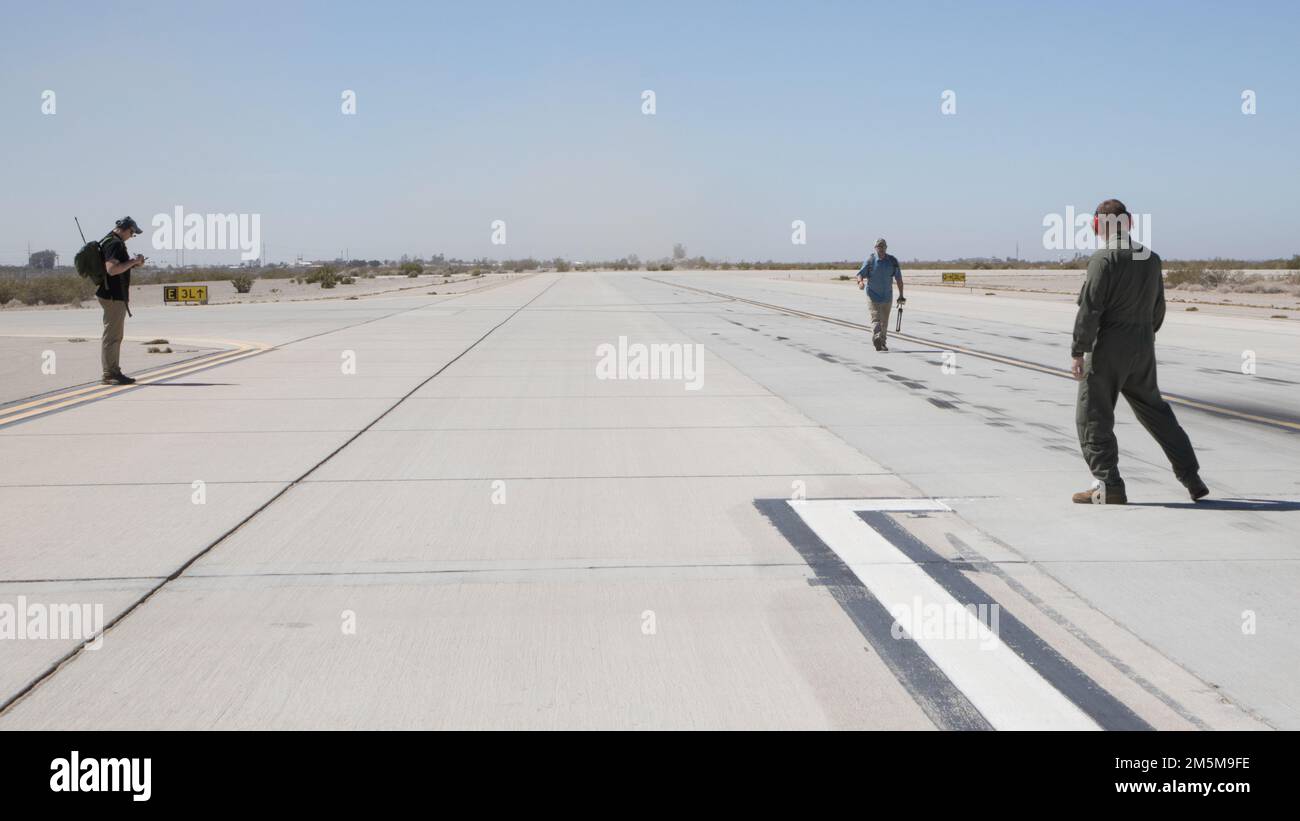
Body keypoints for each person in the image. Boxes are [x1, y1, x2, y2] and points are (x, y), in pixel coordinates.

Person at [1070, 199, 1208, 504]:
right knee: (1156, 412)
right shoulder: (1151, 258)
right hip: (1143, 346)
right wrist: (1142, 339)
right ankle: (1191, 477)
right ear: (1128, 223)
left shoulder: (1103, 259)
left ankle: (1108, 485)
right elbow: (1158, 308)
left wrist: (1079, 350)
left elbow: (1090, 310)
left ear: (1098, 226)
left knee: (1093, 416)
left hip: (1107, 347)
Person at [98, 216, 146, 385]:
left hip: (111, 294)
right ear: (124, 228)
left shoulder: (108, 240)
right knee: (113, 336)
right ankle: (110, 372)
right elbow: (111, 270)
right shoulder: (114, 244)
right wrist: (133, 261)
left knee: (114, 335)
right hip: (113, 295)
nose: (131, 236)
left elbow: (118, 266)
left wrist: (134, 263)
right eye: (132, 232)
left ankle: (112, 370)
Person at [855, 238, 905, 350]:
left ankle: (882, 342)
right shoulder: (870, 260)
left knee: (884, 322)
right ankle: (876, 336)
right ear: (875, 248)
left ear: (886, 248)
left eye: (882, 246)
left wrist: (901, 295)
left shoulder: (892, 261)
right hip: (872, 295)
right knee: (876, 319)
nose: (881, 249)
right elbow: (860, 274)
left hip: (887, 296)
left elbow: (899, 279)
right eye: (878, 247)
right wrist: (860, 282)